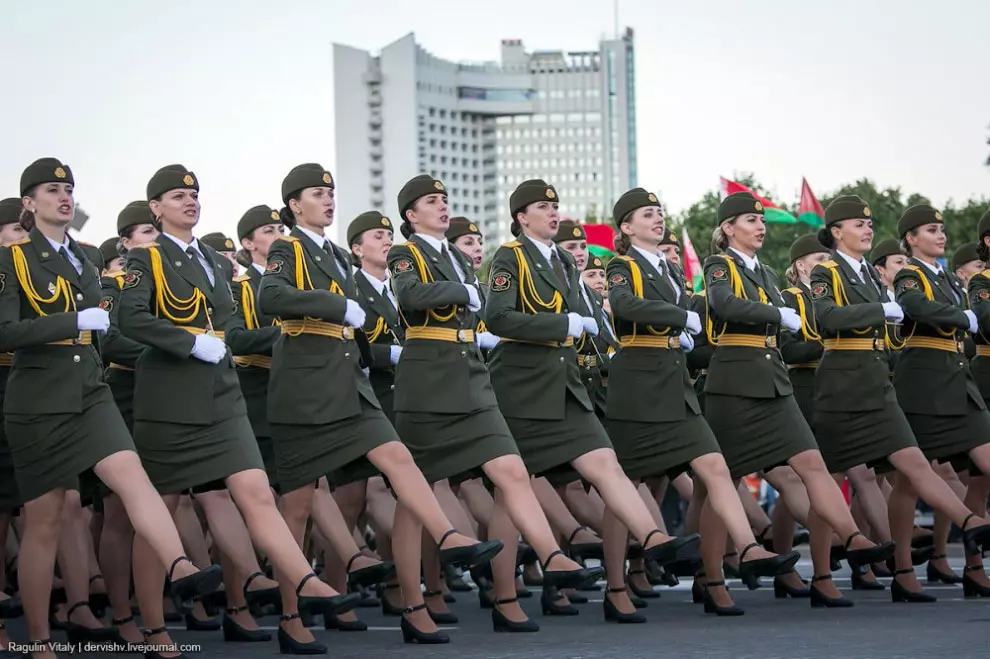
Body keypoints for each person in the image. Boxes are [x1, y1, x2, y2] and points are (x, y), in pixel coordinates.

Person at [119, 164, 363, 657]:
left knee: (253, 488)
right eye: (176, 196)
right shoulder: (148, 258)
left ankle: (303, 578)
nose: (189, 201)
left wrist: (221, 343)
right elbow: (130, 317)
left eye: (193, 194)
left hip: (221, 392)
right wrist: (187, 342)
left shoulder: (212, 259)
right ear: (155, 209)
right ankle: (152, 628)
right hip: (170, 398)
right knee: (162, 509)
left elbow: (228, 320)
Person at [260, 164, 503, 646]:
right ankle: (290, 617)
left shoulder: (331, 252)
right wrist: (334, 307)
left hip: (349, 381)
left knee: (396, 456)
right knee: (298, 506)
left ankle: (449, 538)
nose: (328, 200)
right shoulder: (288, 247)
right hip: (305, 390)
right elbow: (271, 297)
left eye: (331, 192)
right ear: (294, 205)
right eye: (316, 194)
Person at [0, 159, 222, 658]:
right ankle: (38, 640)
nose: (64, 196)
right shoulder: (11, 261)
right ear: (29, 204)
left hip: (89, 393)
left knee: (132, 475)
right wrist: (68, 321)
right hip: (37, 398)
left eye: (69, 189)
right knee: (45, 519)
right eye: (52, 189)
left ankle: (180, 567)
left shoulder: (80, 259)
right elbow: (4, 332)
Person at [388, 173, 604, 636]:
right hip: (426, 383)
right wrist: (459, 291)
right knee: (415, 497)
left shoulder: (457, 258)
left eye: (445, 200)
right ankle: (412, 606)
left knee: (511, 471)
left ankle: (552, 556)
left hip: (470, 376)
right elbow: (408, 297)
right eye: (432, 201)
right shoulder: (404, 253)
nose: (442, 206)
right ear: (411, 214)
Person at [605, 187, 798, 618]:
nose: (658, 219)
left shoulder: (672, 272)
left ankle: (745, 549)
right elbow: (622, 303)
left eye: (659, 212)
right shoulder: (621, 264)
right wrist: (680, 317)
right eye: (647, 214)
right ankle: (615, 586)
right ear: (626, 227)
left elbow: (707, 314)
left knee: (714, 468)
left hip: (676, 384)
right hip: (636, 386)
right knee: (628, 485)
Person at [702, 191, 898, 610]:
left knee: (811, 463)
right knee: (726, 481)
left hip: (774, 383)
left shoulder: (768, 273)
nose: (760, 226)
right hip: (734, 384)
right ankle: (712, 578)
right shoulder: (720, 264)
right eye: (750, 220)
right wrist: (776, 314)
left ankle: (853, 537)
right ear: (728, 228)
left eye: (761, 220)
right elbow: (722, 303)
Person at [894, 204, 990, 598]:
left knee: (983, 469)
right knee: (907, 480)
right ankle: (902, 570)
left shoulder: (949, 277)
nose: (941, 235)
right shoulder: (908, 274)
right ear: (912, 239)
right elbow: (914, 307)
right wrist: (962, 317)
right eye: (931, 230)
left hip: (955, 379)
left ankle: (973, 561)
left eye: (941, 229)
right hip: (922, 382)